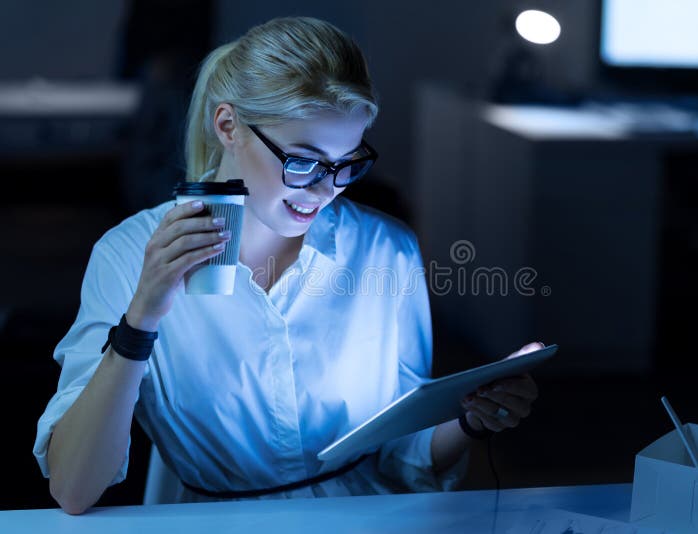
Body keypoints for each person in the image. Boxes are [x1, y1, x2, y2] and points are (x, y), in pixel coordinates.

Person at [33, 17, 542, 515]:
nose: (326, 190)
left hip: (362, 518)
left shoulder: (387, 250)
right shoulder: (127, 256)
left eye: (346, 163)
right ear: (228, 125)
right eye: (303, 160)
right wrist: (141, 318)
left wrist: (471, 420)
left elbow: (400, 454)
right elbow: (75, 489)